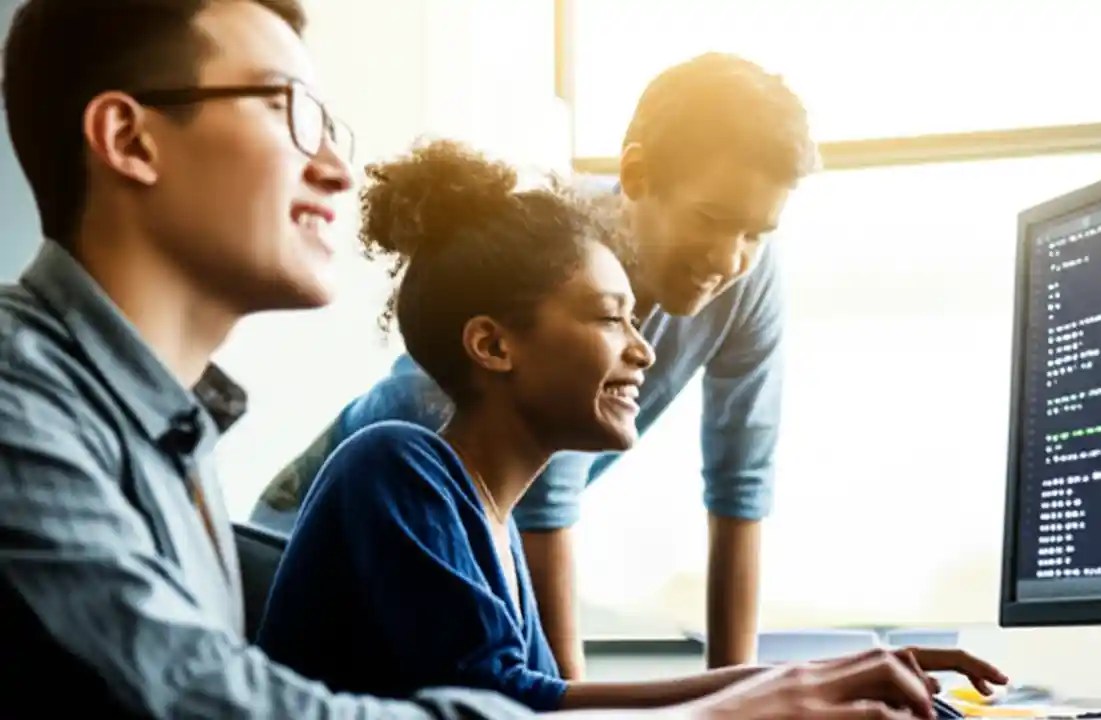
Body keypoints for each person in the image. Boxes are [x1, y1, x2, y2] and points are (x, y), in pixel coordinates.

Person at [0, 0, 981, 717]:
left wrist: (785, 684)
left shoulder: (174, 445)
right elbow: (216, 709)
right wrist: (732, 709)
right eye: (284, 109)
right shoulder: (19, 398)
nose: (338, 168)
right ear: (129, 139)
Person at [255, 140, 1009, 713]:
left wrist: (814, 681)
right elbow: (504, 711)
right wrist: (777, 696)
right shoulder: (393, 465)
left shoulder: (495, 525)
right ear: (493, 344)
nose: (645, 349)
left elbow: (533, 697)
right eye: (611, 317)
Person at [252, 50, 813, 678]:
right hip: (314, 533)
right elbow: (525, 695)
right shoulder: (552, 267)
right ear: (637, 173)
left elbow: (742, 482)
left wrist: (749, 696)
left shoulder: (501, 521)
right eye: (713, 219)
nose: (734, 258)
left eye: (757, 233)